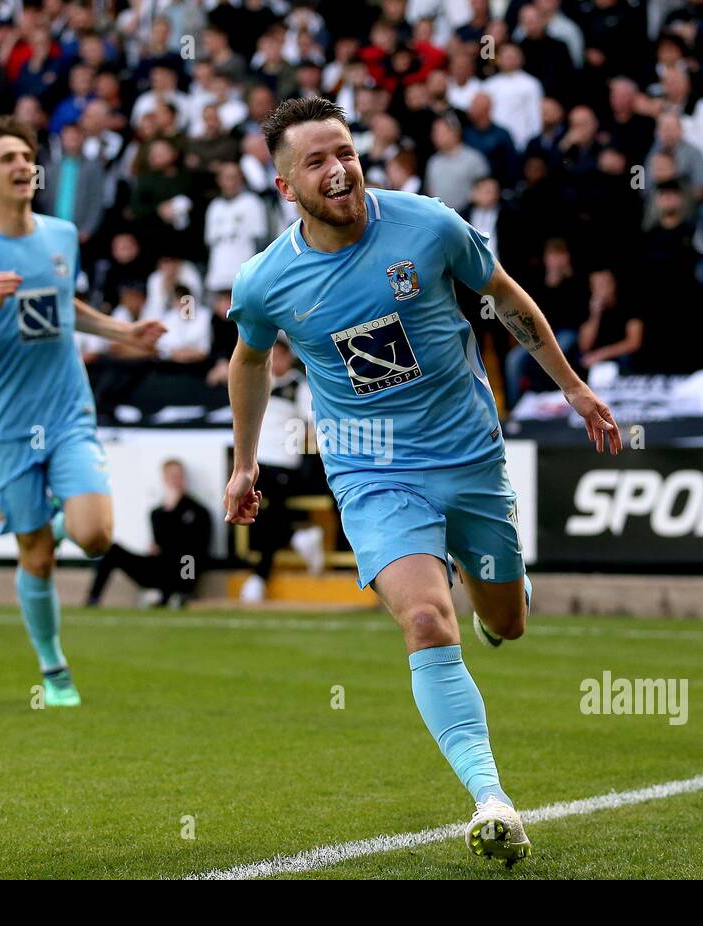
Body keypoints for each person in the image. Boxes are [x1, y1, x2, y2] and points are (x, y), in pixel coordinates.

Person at [224, 97, 621, 869]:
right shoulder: (264, 282)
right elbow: (248, 359)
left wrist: (570, 386)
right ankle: (492, 797)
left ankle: (497, 597)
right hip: (372, 470)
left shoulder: (430, 226)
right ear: (285, 187)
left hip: (470, 457)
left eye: (345, 150)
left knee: (504, 624)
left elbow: (503, 296)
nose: (338, 169)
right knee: (426, 621)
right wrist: (244, 461)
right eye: (316, 161)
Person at [0, 116, 163, 707]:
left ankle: (60, 522)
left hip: (68, 413)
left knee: (95, 535)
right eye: (9, 157)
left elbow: (67, 307)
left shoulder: (62, 236)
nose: (22, 165)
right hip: (7, 430)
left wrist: (126, 331)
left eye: (28, 156)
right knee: (35, 556)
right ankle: (54, 668)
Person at [239, 335, 325, 603]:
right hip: (257, 462)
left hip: (284, 462)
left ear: (289, 357)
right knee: (258, 509)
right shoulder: (259, 384)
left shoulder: (299, 386)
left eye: (280, 355)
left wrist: (300, 449)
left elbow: (313, 424)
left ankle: (259, 575)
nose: (274, 361)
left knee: (269, 508)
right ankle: (299, 533)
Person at [85, 459, 212, 608]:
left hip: (184, 569)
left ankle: (178, 594)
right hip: (160, 566)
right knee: (112, 550)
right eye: (171, 476)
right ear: (164, 480)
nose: (175, 481)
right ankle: (93, 599)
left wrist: (173, 513)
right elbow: (162, 541)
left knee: (187, 557)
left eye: (178, 476)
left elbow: (195, 546)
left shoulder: (198, 511)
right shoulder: (157, 512)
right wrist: (168, 512)